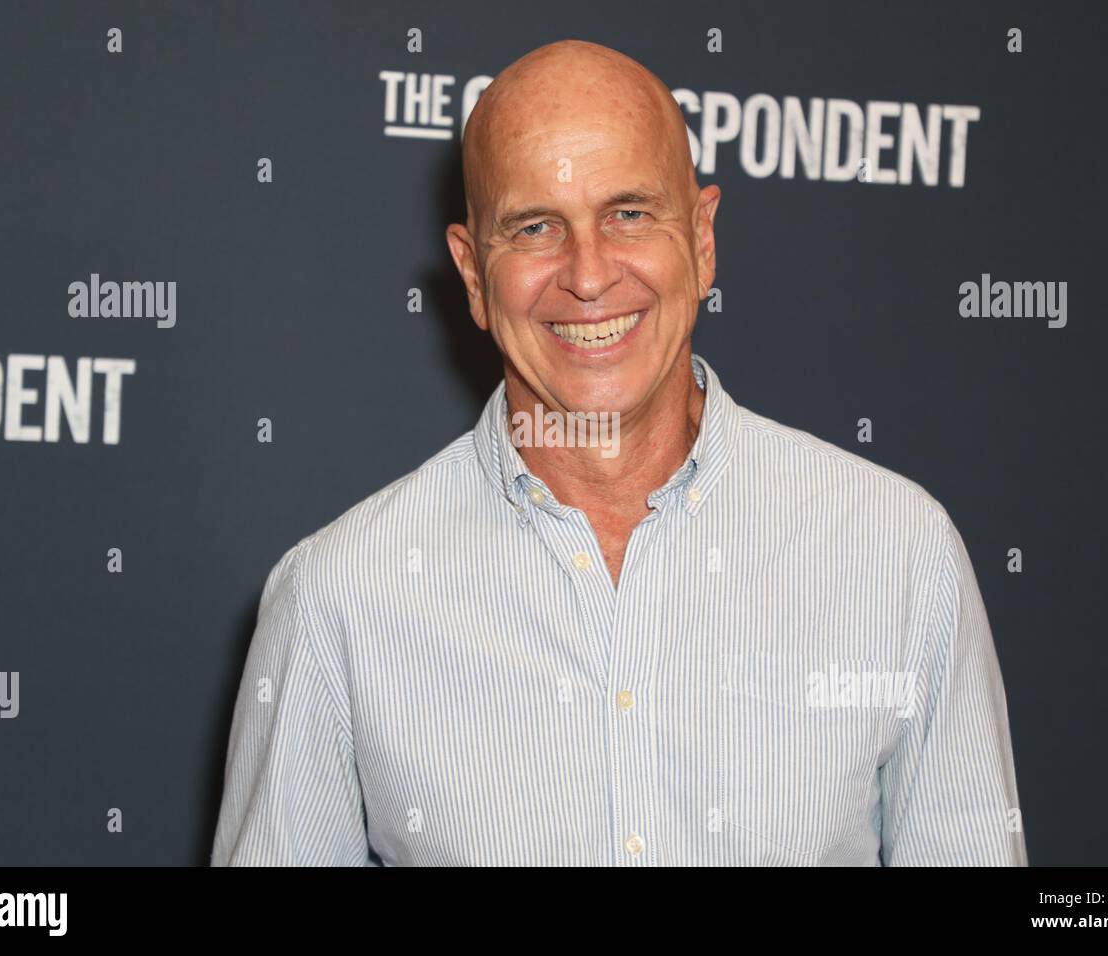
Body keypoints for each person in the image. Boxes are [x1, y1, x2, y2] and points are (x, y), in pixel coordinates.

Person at [211, 39, 1026, 866]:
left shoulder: (899, 553)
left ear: (702, 239)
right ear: (470, 274)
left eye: (629, 214)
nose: (590, 276)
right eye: (535, 228)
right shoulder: (337, 598)